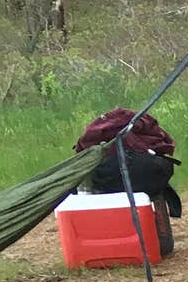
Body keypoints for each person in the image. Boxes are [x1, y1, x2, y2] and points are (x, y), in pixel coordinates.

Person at [75, 108, 181, 255]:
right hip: (138, 174)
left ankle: (145, 243)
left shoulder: (93, 153)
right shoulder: (148, 149)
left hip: (119, 176)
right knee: (152, 188)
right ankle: (154, 242)